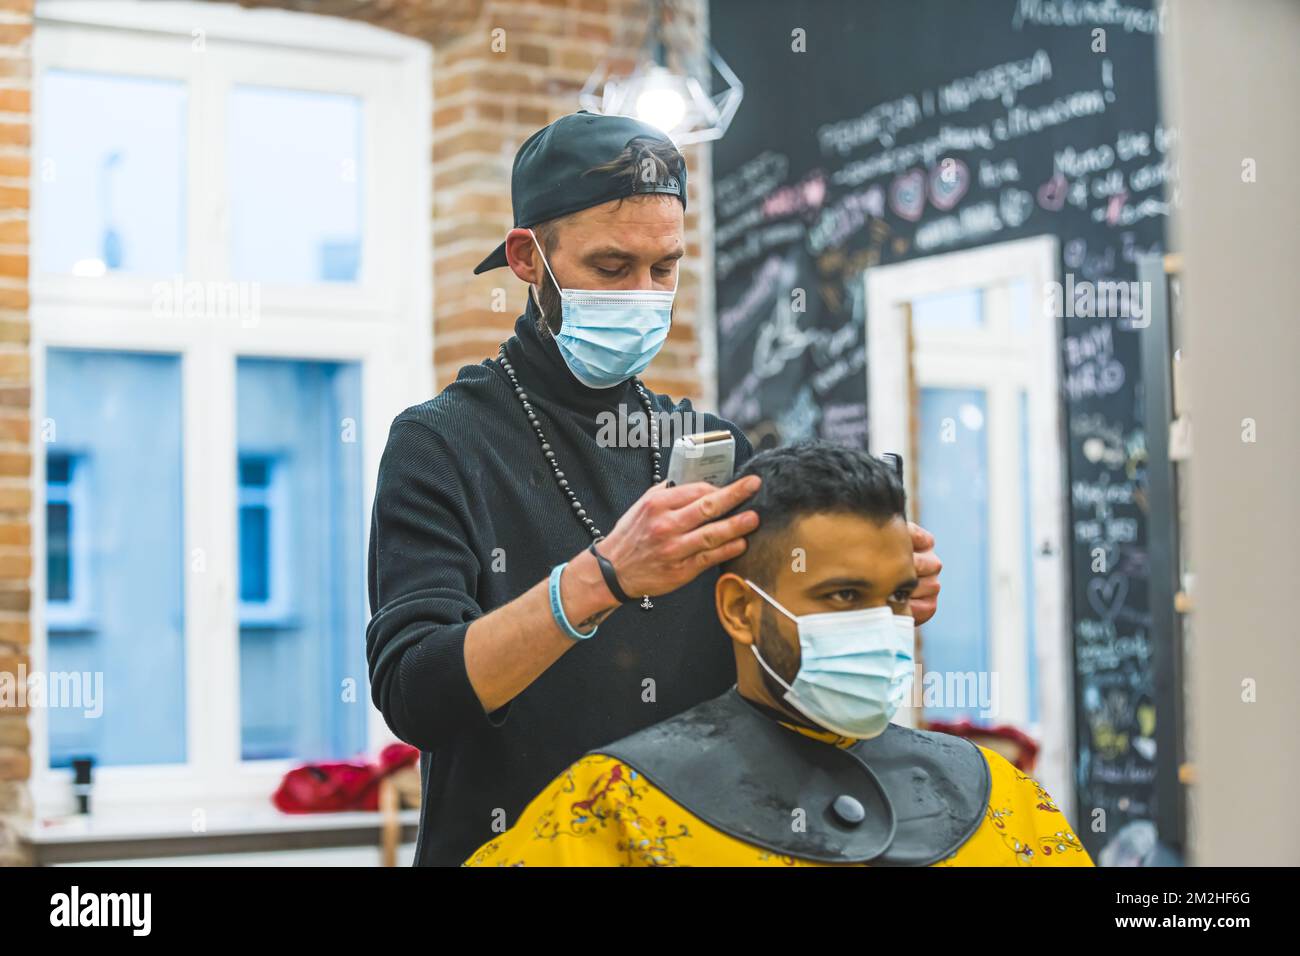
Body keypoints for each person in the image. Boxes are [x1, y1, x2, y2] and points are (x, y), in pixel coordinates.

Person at [366, 111, 944, 867]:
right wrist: (598, 580)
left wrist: (865, 606)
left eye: (663, 268)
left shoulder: (708, 448)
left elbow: (766, 675)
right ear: (527, 257)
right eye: (612, 268)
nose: (643, 294)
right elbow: (418, 694)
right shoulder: (441, 444)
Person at [464, 442, 1091, 867]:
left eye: (897, 596)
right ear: (740, 609)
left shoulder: (998, 795)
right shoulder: (616, 810)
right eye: (843, 595)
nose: (880, 625)